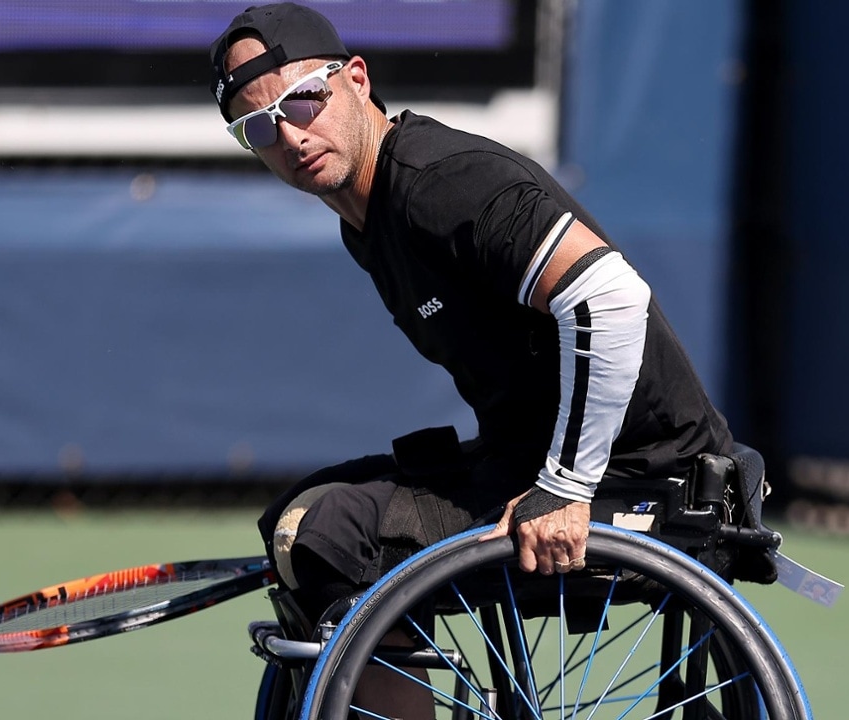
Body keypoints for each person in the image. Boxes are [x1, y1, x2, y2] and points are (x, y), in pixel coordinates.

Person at [210, 0, 732, 668]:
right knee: (299, 513)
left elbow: (613, 296)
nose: (290, 135)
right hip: (529, 458)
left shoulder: (441, 184)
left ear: (358, 81)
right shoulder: (364, 221)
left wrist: (566, 486)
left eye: (303, 100)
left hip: (645, 479)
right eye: (258, 126)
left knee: (329, 536)